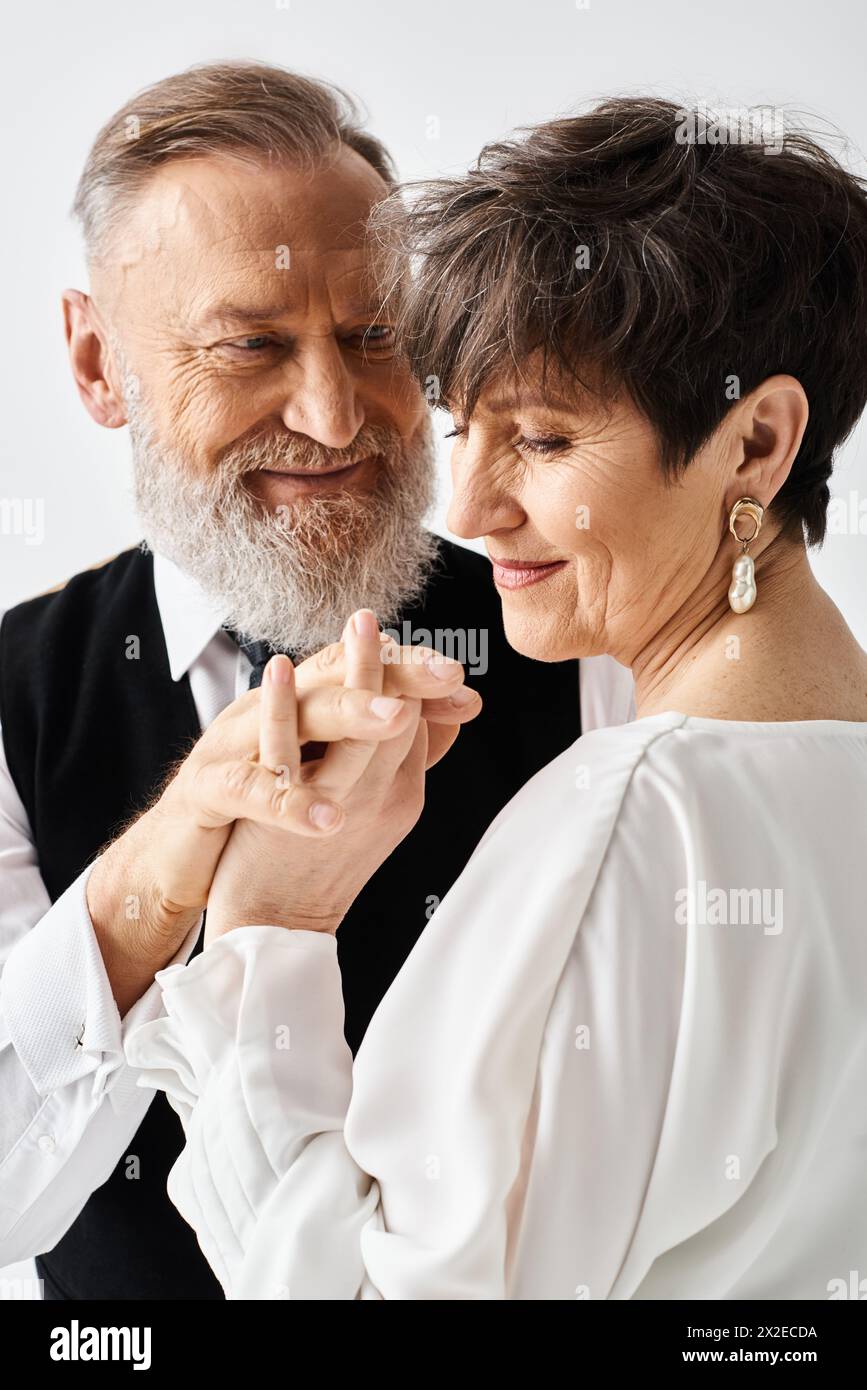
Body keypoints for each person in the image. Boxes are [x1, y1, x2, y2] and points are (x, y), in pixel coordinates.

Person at [126, 97, 867, 1299]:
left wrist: (271, 924)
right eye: (465, 426)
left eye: (543, 441)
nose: (467, 510)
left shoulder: (631, 817)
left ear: (756, 442)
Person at [0, 63, 634, 1301]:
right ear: (95, 361)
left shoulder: (582, 645)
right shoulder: (14, 696)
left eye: (374, 337)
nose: (338, 418)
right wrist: (171, 853)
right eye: (250, 345)